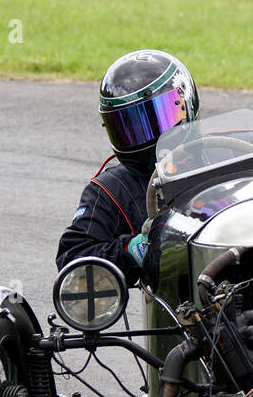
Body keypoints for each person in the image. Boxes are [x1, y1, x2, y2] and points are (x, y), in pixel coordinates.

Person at [55, 49, 199, 283]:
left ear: (186, 104)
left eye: (156, 119)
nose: (144, 137)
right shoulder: (114, 189)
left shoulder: (228, 155)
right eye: (130, 127)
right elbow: (73, 259)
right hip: (182, 309)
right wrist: (133, 250)